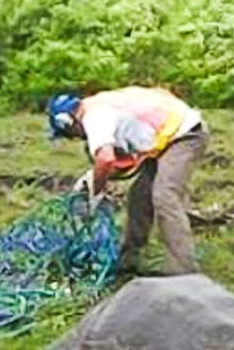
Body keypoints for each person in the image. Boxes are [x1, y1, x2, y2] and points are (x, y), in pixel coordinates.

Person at [47, 86, 210, 275]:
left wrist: (95, 194)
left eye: (72, 135)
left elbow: (106, 159)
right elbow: (122, 162)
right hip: (165, 138)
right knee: (139, 196)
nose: (79, 137)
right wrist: (93, 177)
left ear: (67, 123)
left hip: (186, 135)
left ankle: (184, 271)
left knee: (165, 195)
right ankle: (128, 260)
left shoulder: (94, 118)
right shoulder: (101, 101)